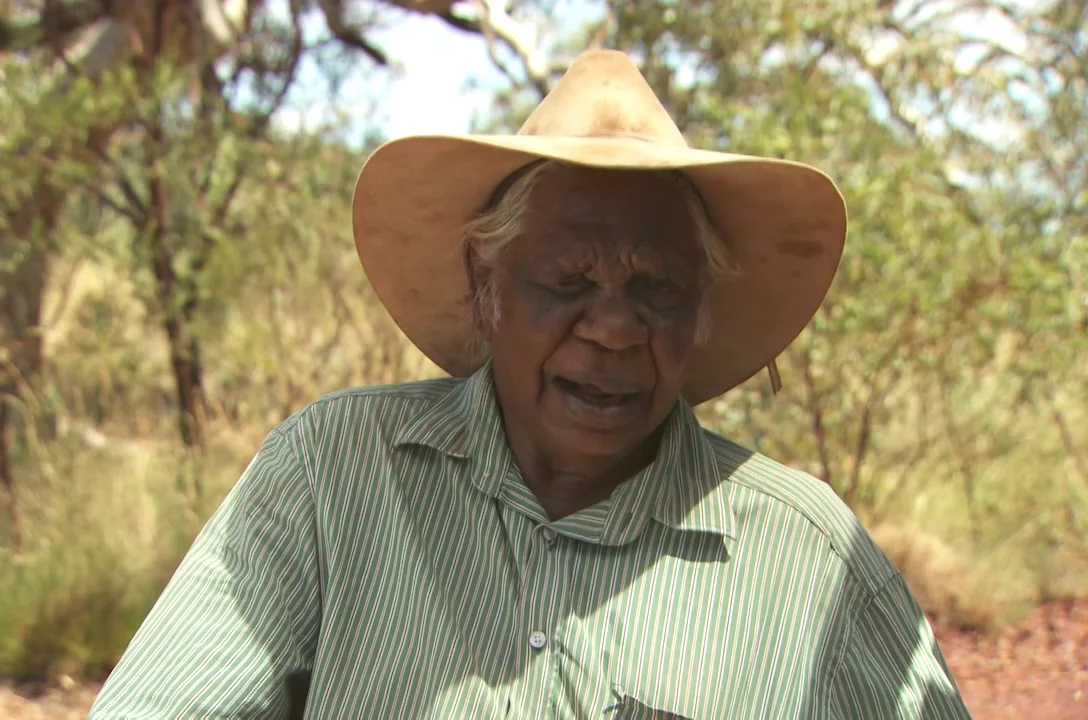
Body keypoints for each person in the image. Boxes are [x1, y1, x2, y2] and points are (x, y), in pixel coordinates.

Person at [88, 50, 973, 719]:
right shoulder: (335, 473)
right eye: (569, 281)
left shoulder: (802, 557)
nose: (615, 328)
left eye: (655, 287)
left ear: (700, 307)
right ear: (486, 283)